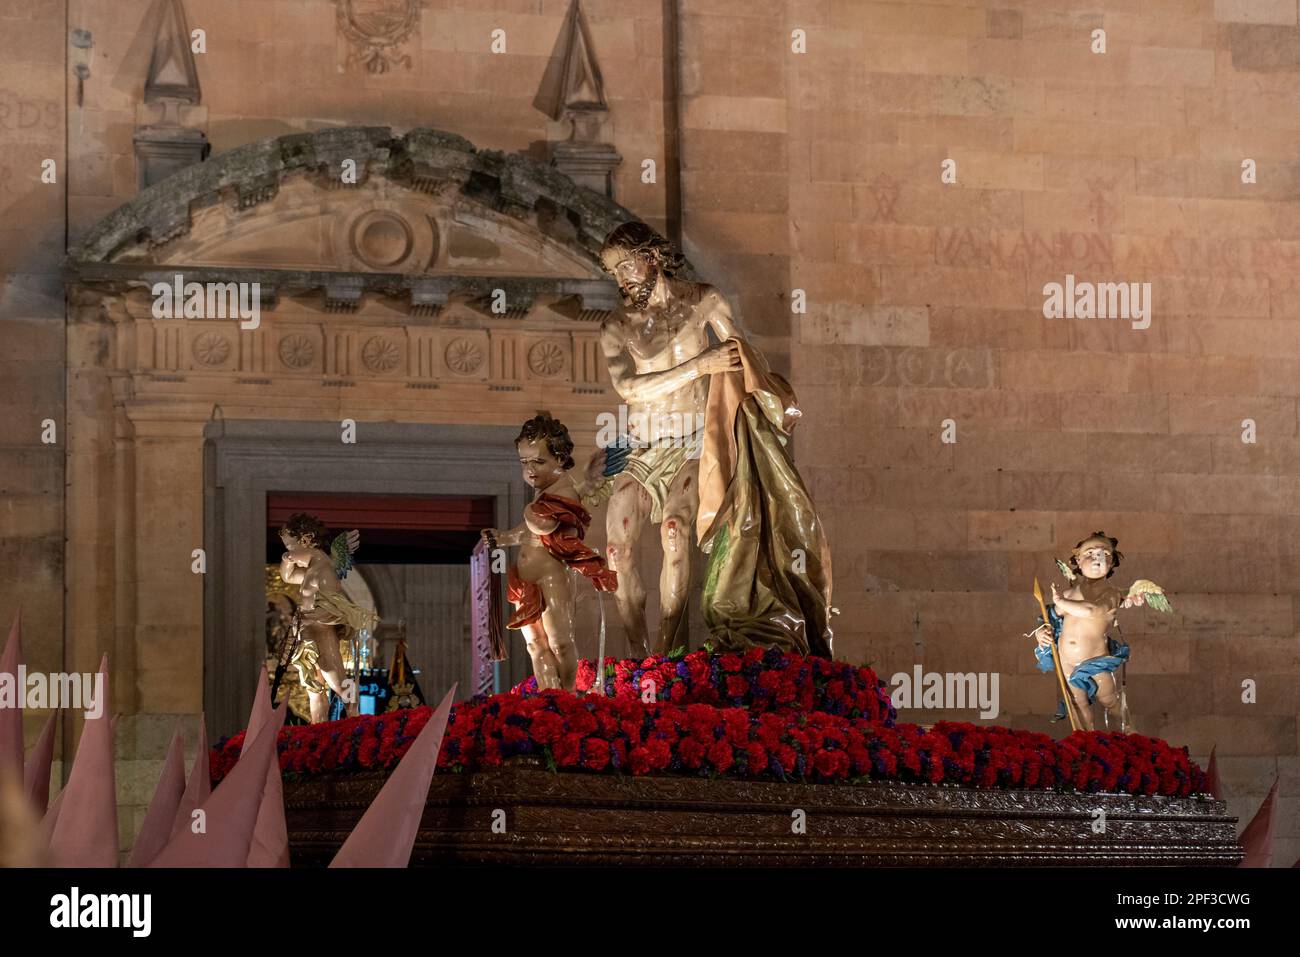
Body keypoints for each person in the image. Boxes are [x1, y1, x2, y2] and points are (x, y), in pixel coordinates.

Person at [598, 221, 833, 657]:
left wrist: (767, 404)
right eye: (614, 273)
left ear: (650, 258)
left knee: (674, 531)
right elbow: (629, 388)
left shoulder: (704, 301)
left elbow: (742, 355)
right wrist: (700, 366)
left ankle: (665, 657)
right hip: (644, 449)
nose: (622, 279)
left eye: (626, 266)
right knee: (616, 548)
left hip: (693, 444)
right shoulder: (617, 325)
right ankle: (638, 655)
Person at [482, 413, 617, 691]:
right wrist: (505, 537)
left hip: (552, 576)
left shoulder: (566, 490)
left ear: (560, 459)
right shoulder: (544, 491)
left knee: (560, 641)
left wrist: (527, 512)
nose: (530, 469)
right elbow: (530, 529)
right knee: (535, 644)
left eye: (538, 461)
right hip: (524, 578)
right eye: (524, 462)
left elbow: (543, 524)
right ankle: (547, 697)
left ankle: (566, 693)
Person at [278, 513, 376, 723]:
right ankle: (317, 728)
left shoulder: (324, 571)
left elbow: (335, 608)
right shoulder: (310, 571)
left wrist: (308, 618)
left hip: (321, 635)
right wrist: (287, 562)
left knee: (337, 681)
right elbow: (287, 577)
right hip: (305, 636)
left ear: (306, 540)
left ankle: (353, 718)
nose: (288, 554)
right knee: (313, 687)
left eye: (290, 547)